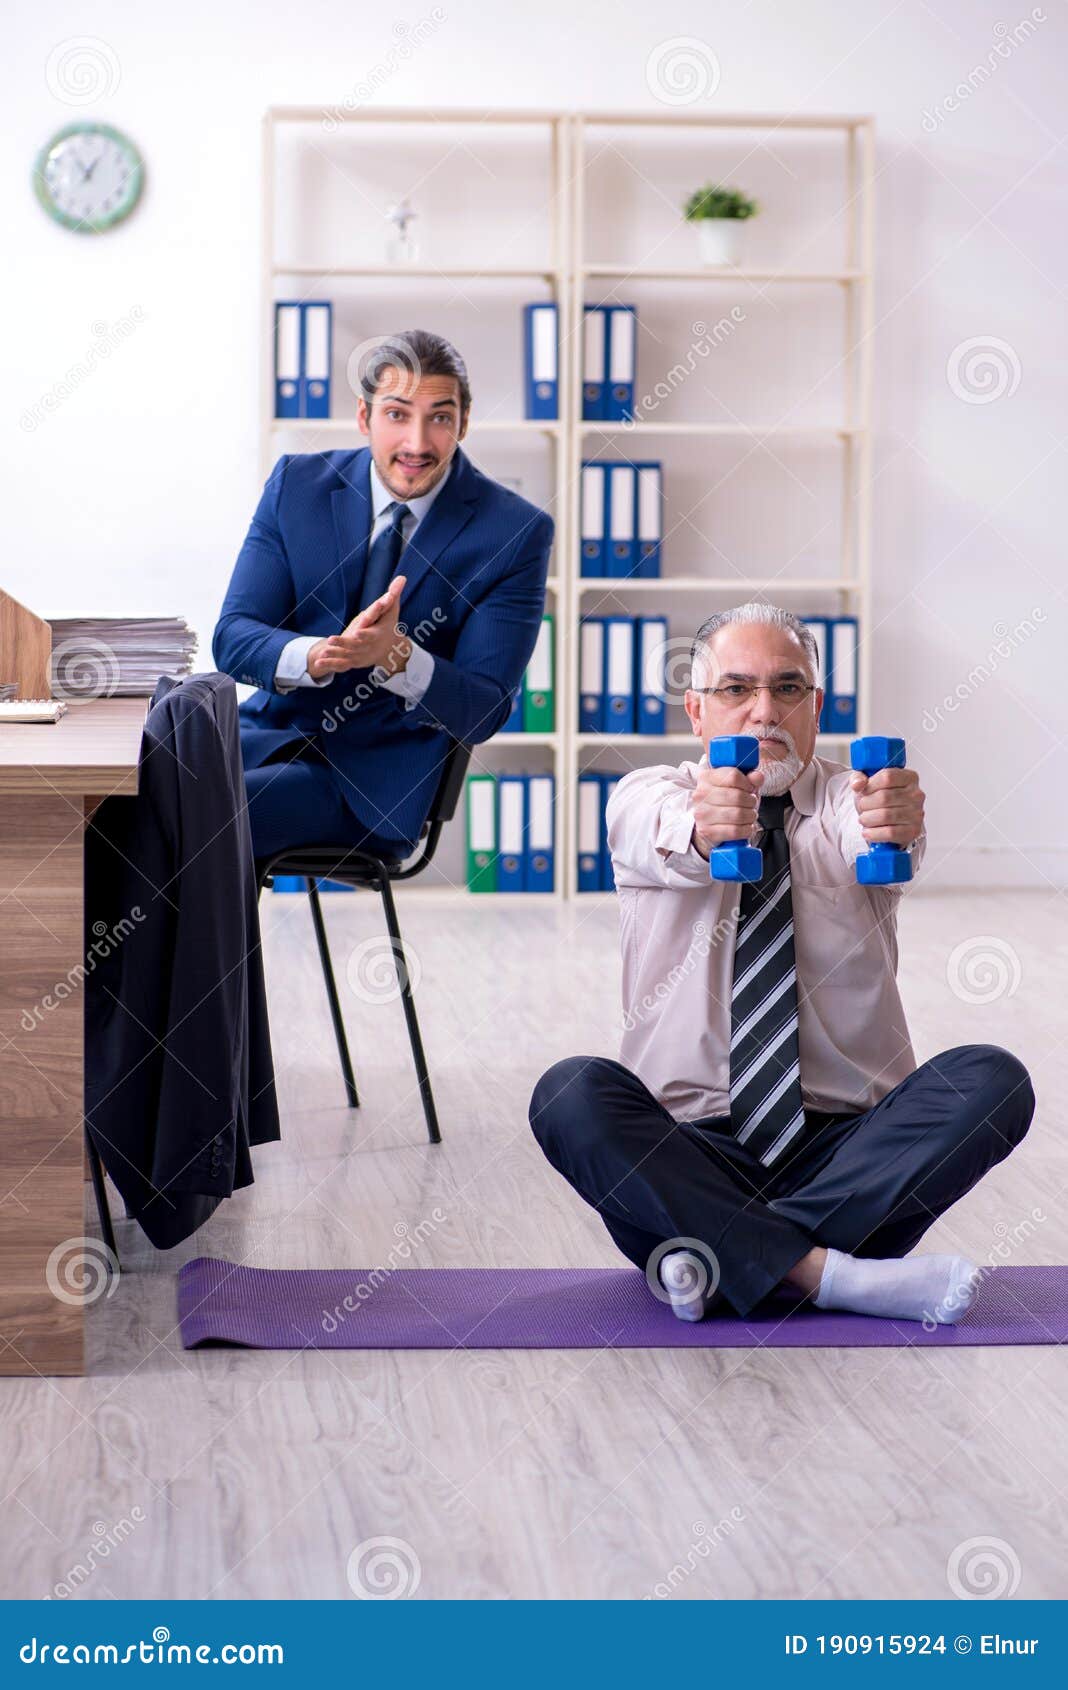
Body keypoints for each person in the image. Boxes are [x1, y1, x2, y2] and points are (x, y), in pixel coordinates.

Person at [530, 603, 1034, 1326]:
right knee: (569, 1093)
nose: (764, 712)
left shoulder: (847, 797)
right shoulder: (647, 796)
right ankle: (835, 1278)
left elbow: (878, 835)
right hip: (688, 1147)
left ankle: (713, 1255)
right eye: (737, 690)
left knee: (993, 1078)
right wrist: (709, 831)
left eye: (788, 689)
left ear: (817, 707)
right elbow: (670, 836)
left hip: (853, 1154)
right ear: (697, 712)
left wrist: (893, 818)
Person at [213, 329, 554, 859]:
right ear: (364, 417)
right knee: (131, 800)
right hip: (269, 738)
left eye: (439, 418)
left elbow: (485, 708)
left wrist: (398, 658)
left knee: (208, 821)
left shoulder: (513, 532)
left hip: (376, 785)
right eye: (397, 415)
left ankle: (188, 946)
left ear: (463, 421)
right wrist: (318, 655)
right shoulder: (297, 485)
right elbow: (233, 637)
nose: (417, 444)